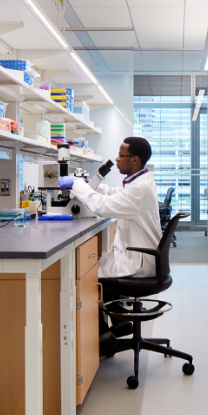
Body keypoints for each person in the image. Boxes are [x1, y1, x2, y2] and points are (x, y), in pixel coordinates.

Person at [60, 136, 161, 352]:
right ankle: (121, 322)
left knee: (85, 276)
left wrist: (78, 185)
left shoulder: (139, 189)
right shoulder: (139, 183)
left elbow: (104, 207)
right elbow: (115, 194)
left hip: (139, 263)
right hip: (141, 257)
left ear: (134, 160)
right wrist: (91, 186)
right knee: (101, 263)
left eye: (121, 155)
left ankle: (103, 337)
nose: (116, 159)